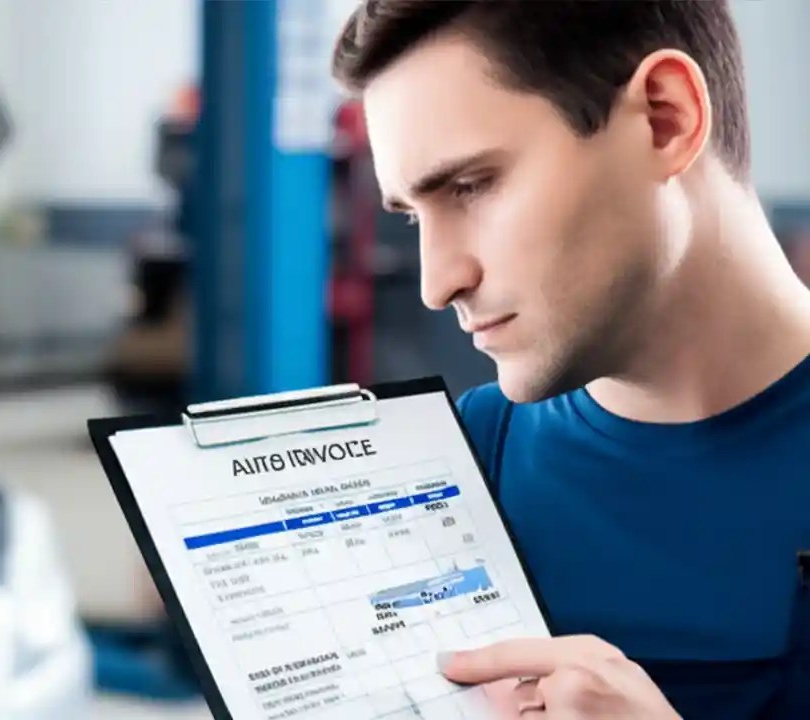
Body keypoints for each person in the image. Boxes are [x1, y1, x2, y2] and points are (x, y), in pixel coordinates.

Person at [331, 1, 810, 718]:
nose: (438, 282)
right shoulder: (466, 461)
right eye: (410, 215)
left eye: (471, 185)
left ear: (664, 118)